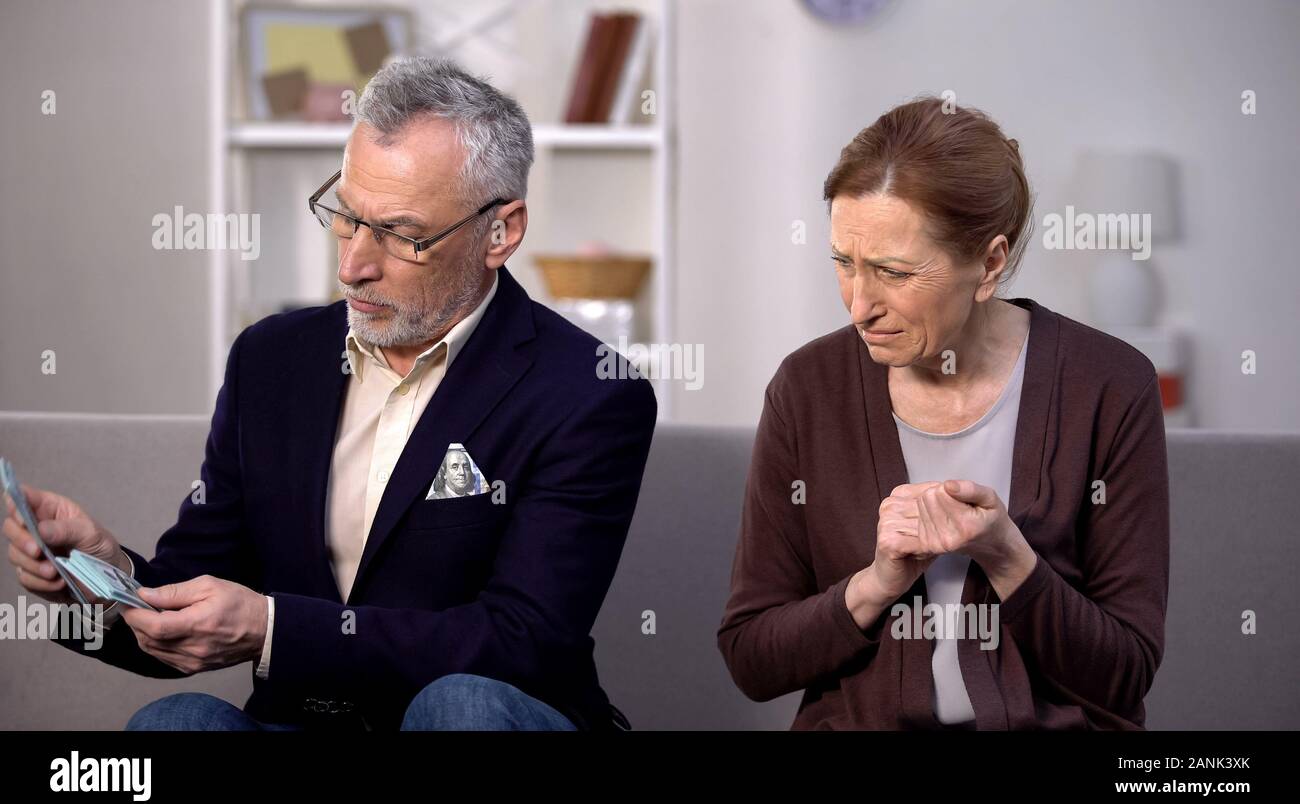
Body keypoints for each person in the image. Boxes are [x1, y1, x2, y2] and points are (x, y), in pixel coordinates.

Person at [3, 57, 656, 731]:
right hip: (306, 721)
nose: (352, 264)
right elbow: (194, 604)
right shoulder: (270, 360)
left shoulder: (590, 393)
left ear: (502, 231)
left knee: (458, 706)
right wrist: (102, 578)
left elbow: (523, 641)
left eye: (401, 235)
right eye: (346, 216)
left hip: (474, 718)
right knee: (178, 721)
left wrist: (275, 628)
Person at [717, 97, 1169, 730]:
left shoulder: (1109, 385)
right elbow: (752, 660)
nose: (858, 306)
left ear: (988, 264)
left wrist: (1008, 557)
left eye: (893, 272)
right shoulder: (807, 388)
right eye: (843, 264)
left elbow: (1124, 674)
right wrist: (875, 584)